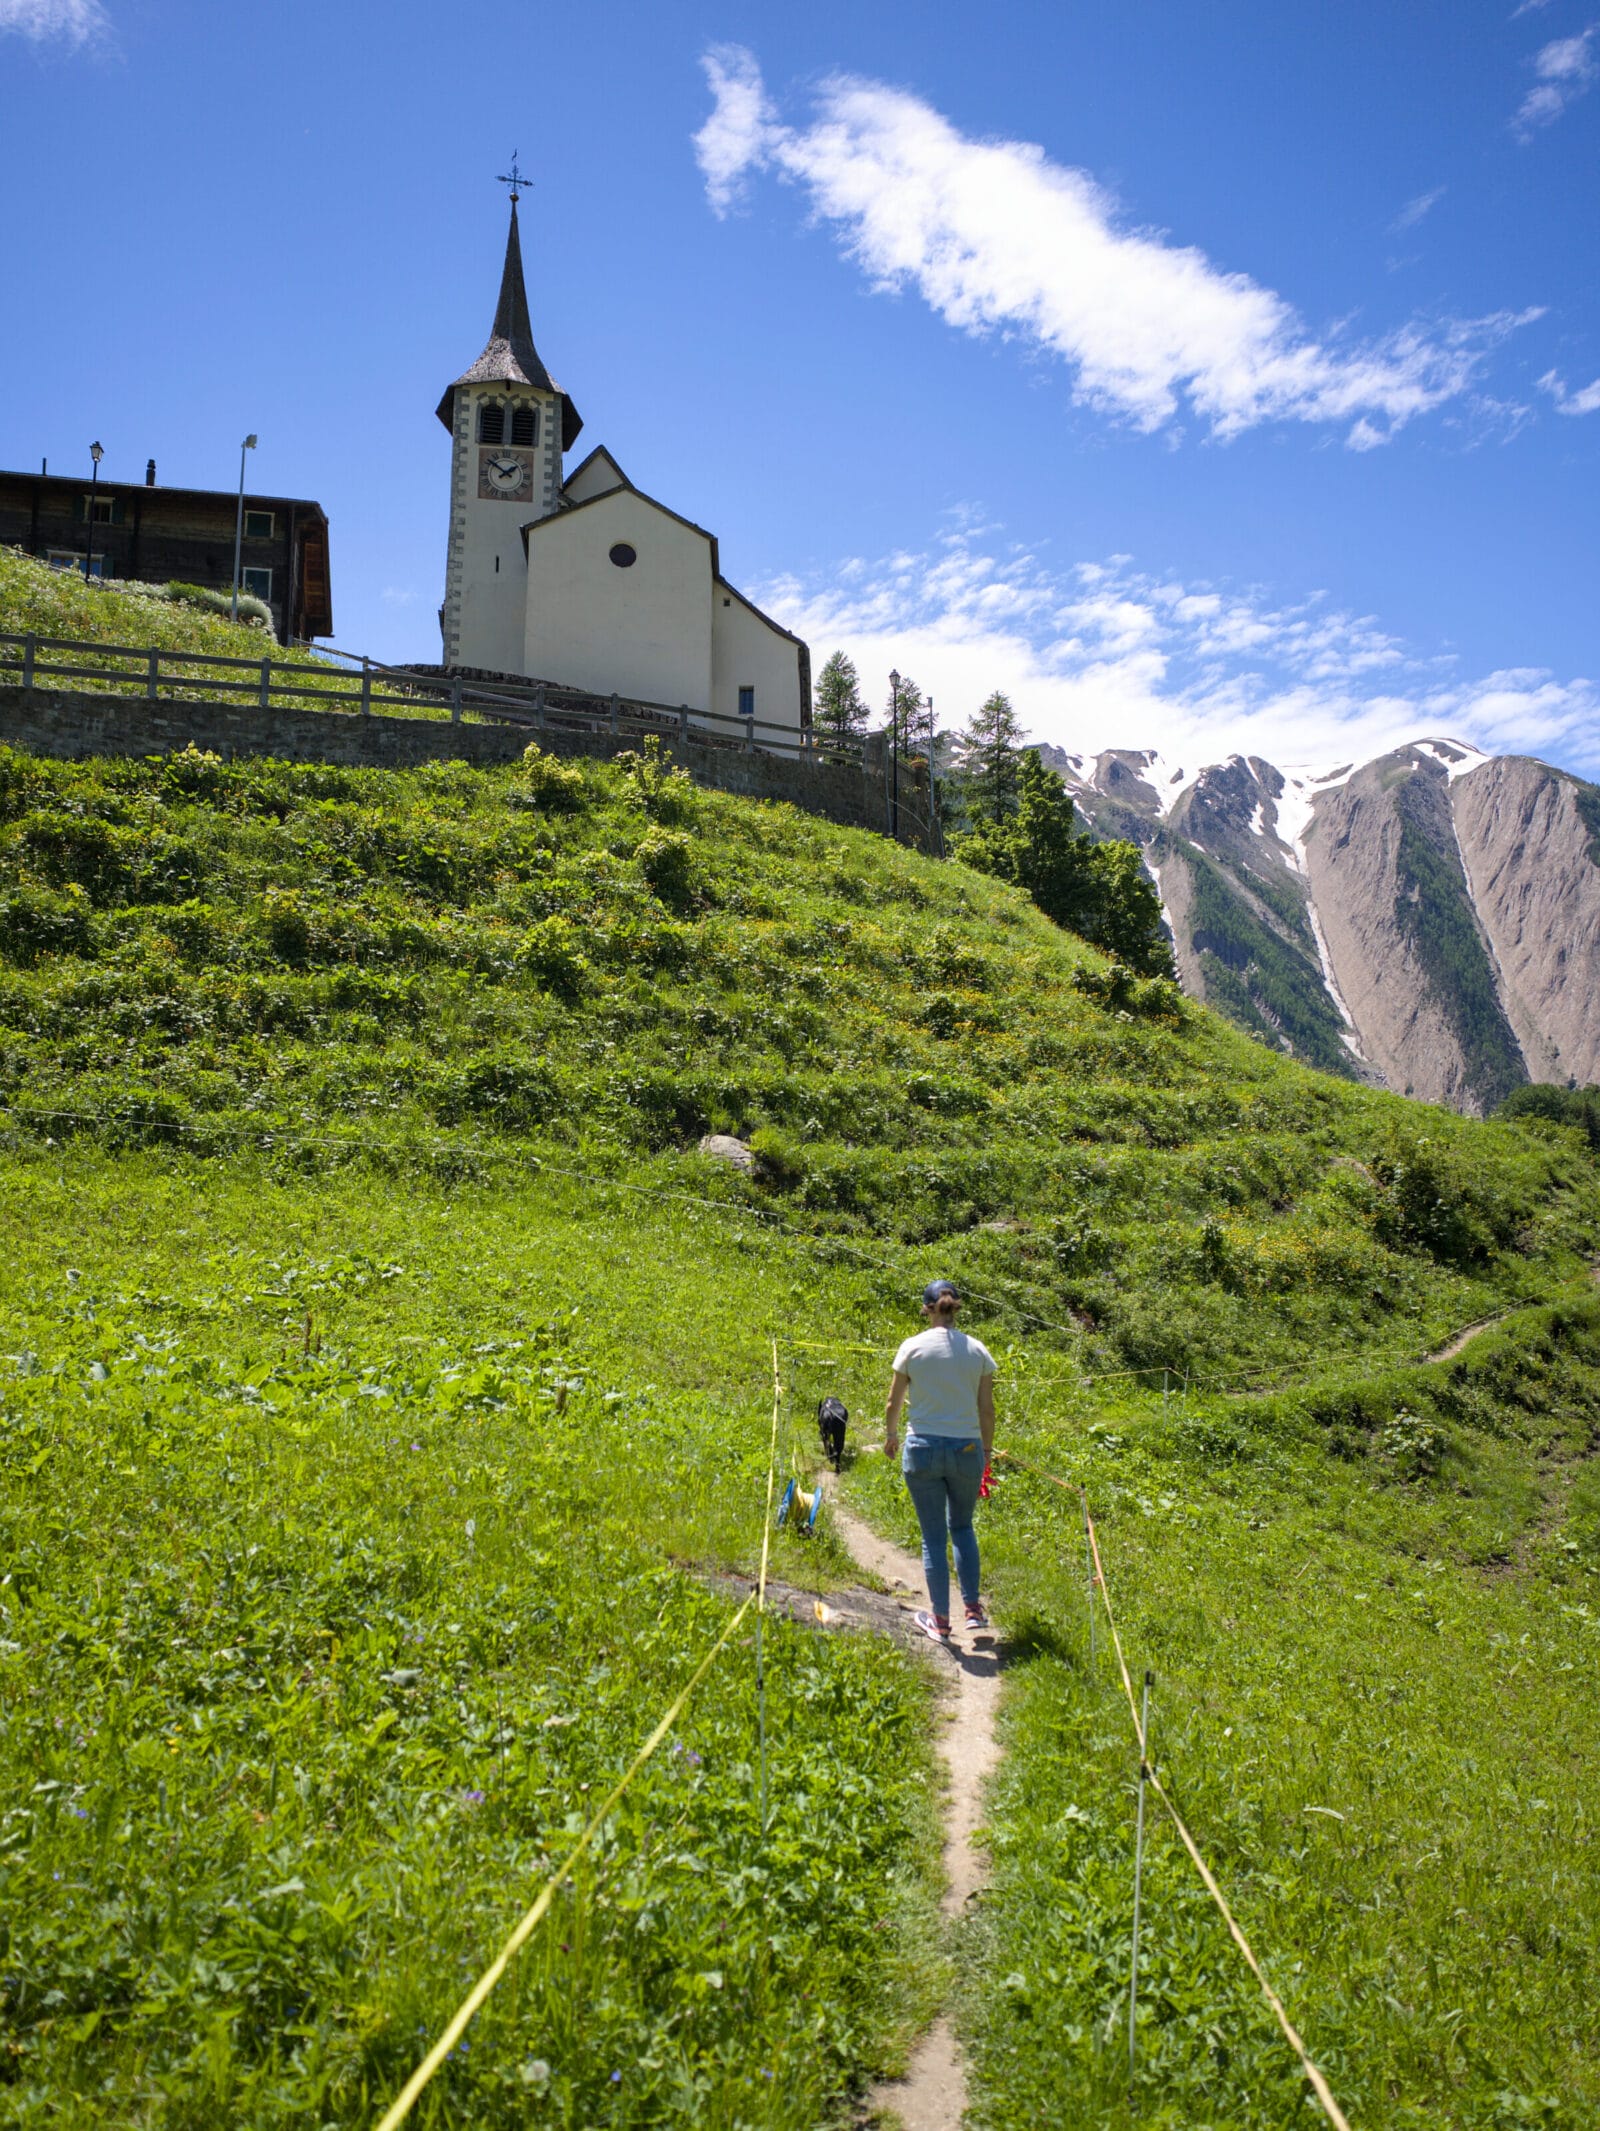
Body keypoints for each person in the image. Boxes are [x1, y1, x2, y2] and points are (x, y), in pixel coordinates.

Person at [883, 1279, 996, 1644]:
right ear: (956, 1308)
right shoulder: (977, 1350)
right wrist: (987, 1453)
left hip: (923, 1447)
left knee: (933, 1537)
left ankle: (941, 1621)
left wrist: (891, 1435)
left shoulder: (912, 1347)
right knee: (962, 1528)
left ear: (926, 1308)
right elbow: (986, 1409)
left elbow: (893, 1402)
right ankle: (973, 1610)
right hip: (967, 1450)